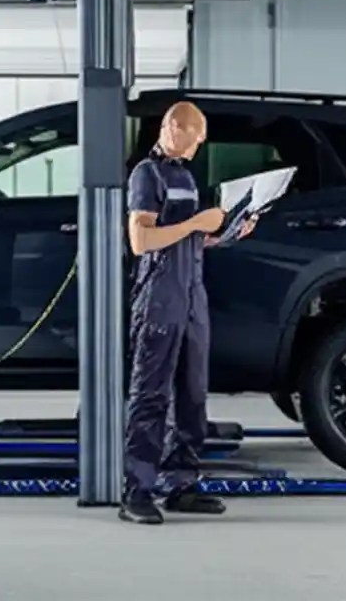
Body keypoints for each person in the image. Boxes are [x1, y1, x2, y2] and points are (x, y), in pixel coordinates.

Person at [120, 100, 256, 525]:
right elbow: (141, 240)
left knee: (192, 393)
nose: (200, 144)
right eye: (195, 136)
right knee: (152, 391)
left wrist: (225, 233)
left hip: (192, 293)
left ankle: (181, 483)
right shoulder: (148, 174)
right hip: (160, 294)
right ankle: (137, 490)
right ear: (173, 127)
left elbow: (185, 238)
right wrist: (197, 223)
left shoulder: (185, 176)